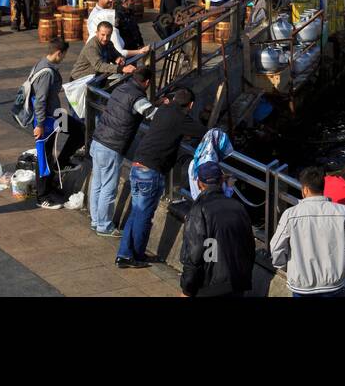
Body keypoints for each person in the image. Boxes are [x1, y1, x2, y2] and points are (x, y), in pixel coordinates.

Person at [118, 87, 206, 268]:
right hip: (151, 171)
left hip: (137, 165)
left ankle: (124, 254)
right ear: (190, 105)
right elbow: (203, 131)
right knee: (143, 215)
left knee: (136, 212)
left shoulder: (163, 110)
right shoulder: (181, 118)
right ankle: (136, 255)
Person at [269, 165, 345, 297]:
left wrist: (284, 266)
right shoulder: (343, 211)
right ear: (323, 188)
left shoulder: (290, 214)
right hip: (333, 284)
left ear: (305, 189)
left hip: (302, 285)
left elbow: (276, 247)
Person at [87, 64, 153, 236]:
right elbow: (151, 114)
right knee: (109, 187)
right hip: (112, 146)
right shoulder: (137, 97)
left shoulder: (121, 88)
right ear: (146, 82)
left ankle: (95, 220)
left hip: (99, 139)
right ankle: (104, 225)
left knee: (97, 183)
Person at [180, 161, 255, 297]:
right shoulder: (238, 207)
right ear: (222, 181)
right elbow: (249, 247)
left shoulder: (198, 210)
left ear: (199, 183)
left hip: (210, 286)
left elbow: (194, 254)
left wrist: (187, 289)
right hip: (237, 282)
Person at [28, 39, 70, 208]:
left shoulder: (44, 63)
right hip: (45, 121)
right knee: (44, 156)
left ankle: (52, 181)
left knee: (72, 131)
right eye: (64, 55)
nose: (64, 58)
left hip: (53, 116)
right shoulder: (46, 72)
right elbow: (40, 100)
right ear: (59, 53)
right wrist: (39, 126)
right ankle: (42, 196)